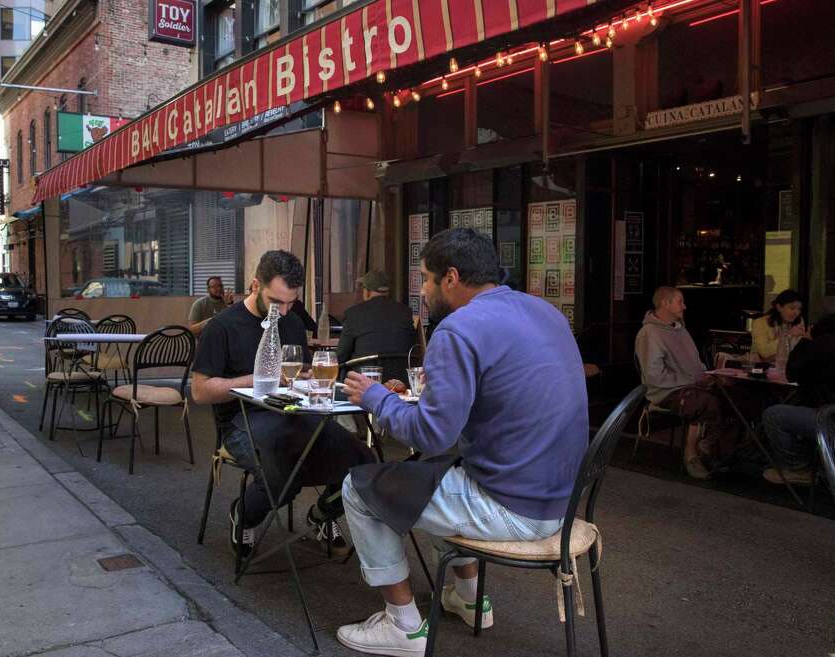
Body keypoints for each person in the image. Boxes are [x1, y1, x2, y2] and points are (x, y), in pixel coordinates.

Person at [334, 229, 588, 656]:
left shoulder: (458, 329)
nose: (423, 289)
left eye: (426, 279)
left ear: (451, 277)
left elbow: (434, 435)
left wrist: (376, 398)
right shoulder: (544, 312)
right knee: (433, 475)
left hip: (516, 508)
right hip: (561, 497)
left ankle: (403, 628)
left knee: (358, 488)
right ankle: (470, 600)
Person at [190, 250, 374, 558]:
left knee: (363, 464)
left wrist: (310, 378)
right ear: (254, 286)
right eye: (277, 302)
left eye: (292, 301)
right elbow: (199, 391)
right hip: (240, 420)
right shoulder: (222, 326)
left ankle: (320, 515)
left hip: (292, 413)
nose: (285, 310)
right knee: (284, 474)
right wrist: (255, 378)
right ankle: (243, 514)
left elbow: (294, 375)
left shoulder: (290, 321)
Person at [635, 286, 745, 479]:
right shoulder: (650, 333)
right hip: (666, 392)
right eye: (680, 301)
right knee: (704, 403)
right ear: (665, 303)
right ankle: (692, 453)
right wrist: (693, 380)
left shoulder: (681, 330)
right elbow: (654, 376)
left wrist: (708, 375)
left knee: (735, 398)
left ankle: (718, 451)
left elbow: (695, 363)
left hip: (693, 385)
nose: (684, 306)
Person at [761, 295, 835, 486]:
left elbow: (792, 372)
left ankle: (799, 469)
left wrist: (806, 340)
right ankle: (824, 468)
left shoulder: (824, 342)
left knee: (774, 414)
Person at [336, 270, 417, 382]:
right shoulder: (405, 312)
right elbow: (413, 347)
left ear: (367, 291)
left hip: (364, 383)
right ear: (387, 291)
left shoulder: (353, 314)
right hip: (400, 381)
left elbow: (341, 356)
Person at [751, 289, 805, 362]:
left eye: (799, 309)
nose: (797, 313)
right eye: (792, 308)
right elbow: (764, 353)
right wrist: (788, 335)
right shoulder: (760, 323)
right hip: (762, 369)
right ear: (779, 307)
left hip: (790, 366)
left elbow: (800, 350)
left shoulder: (798, 320)